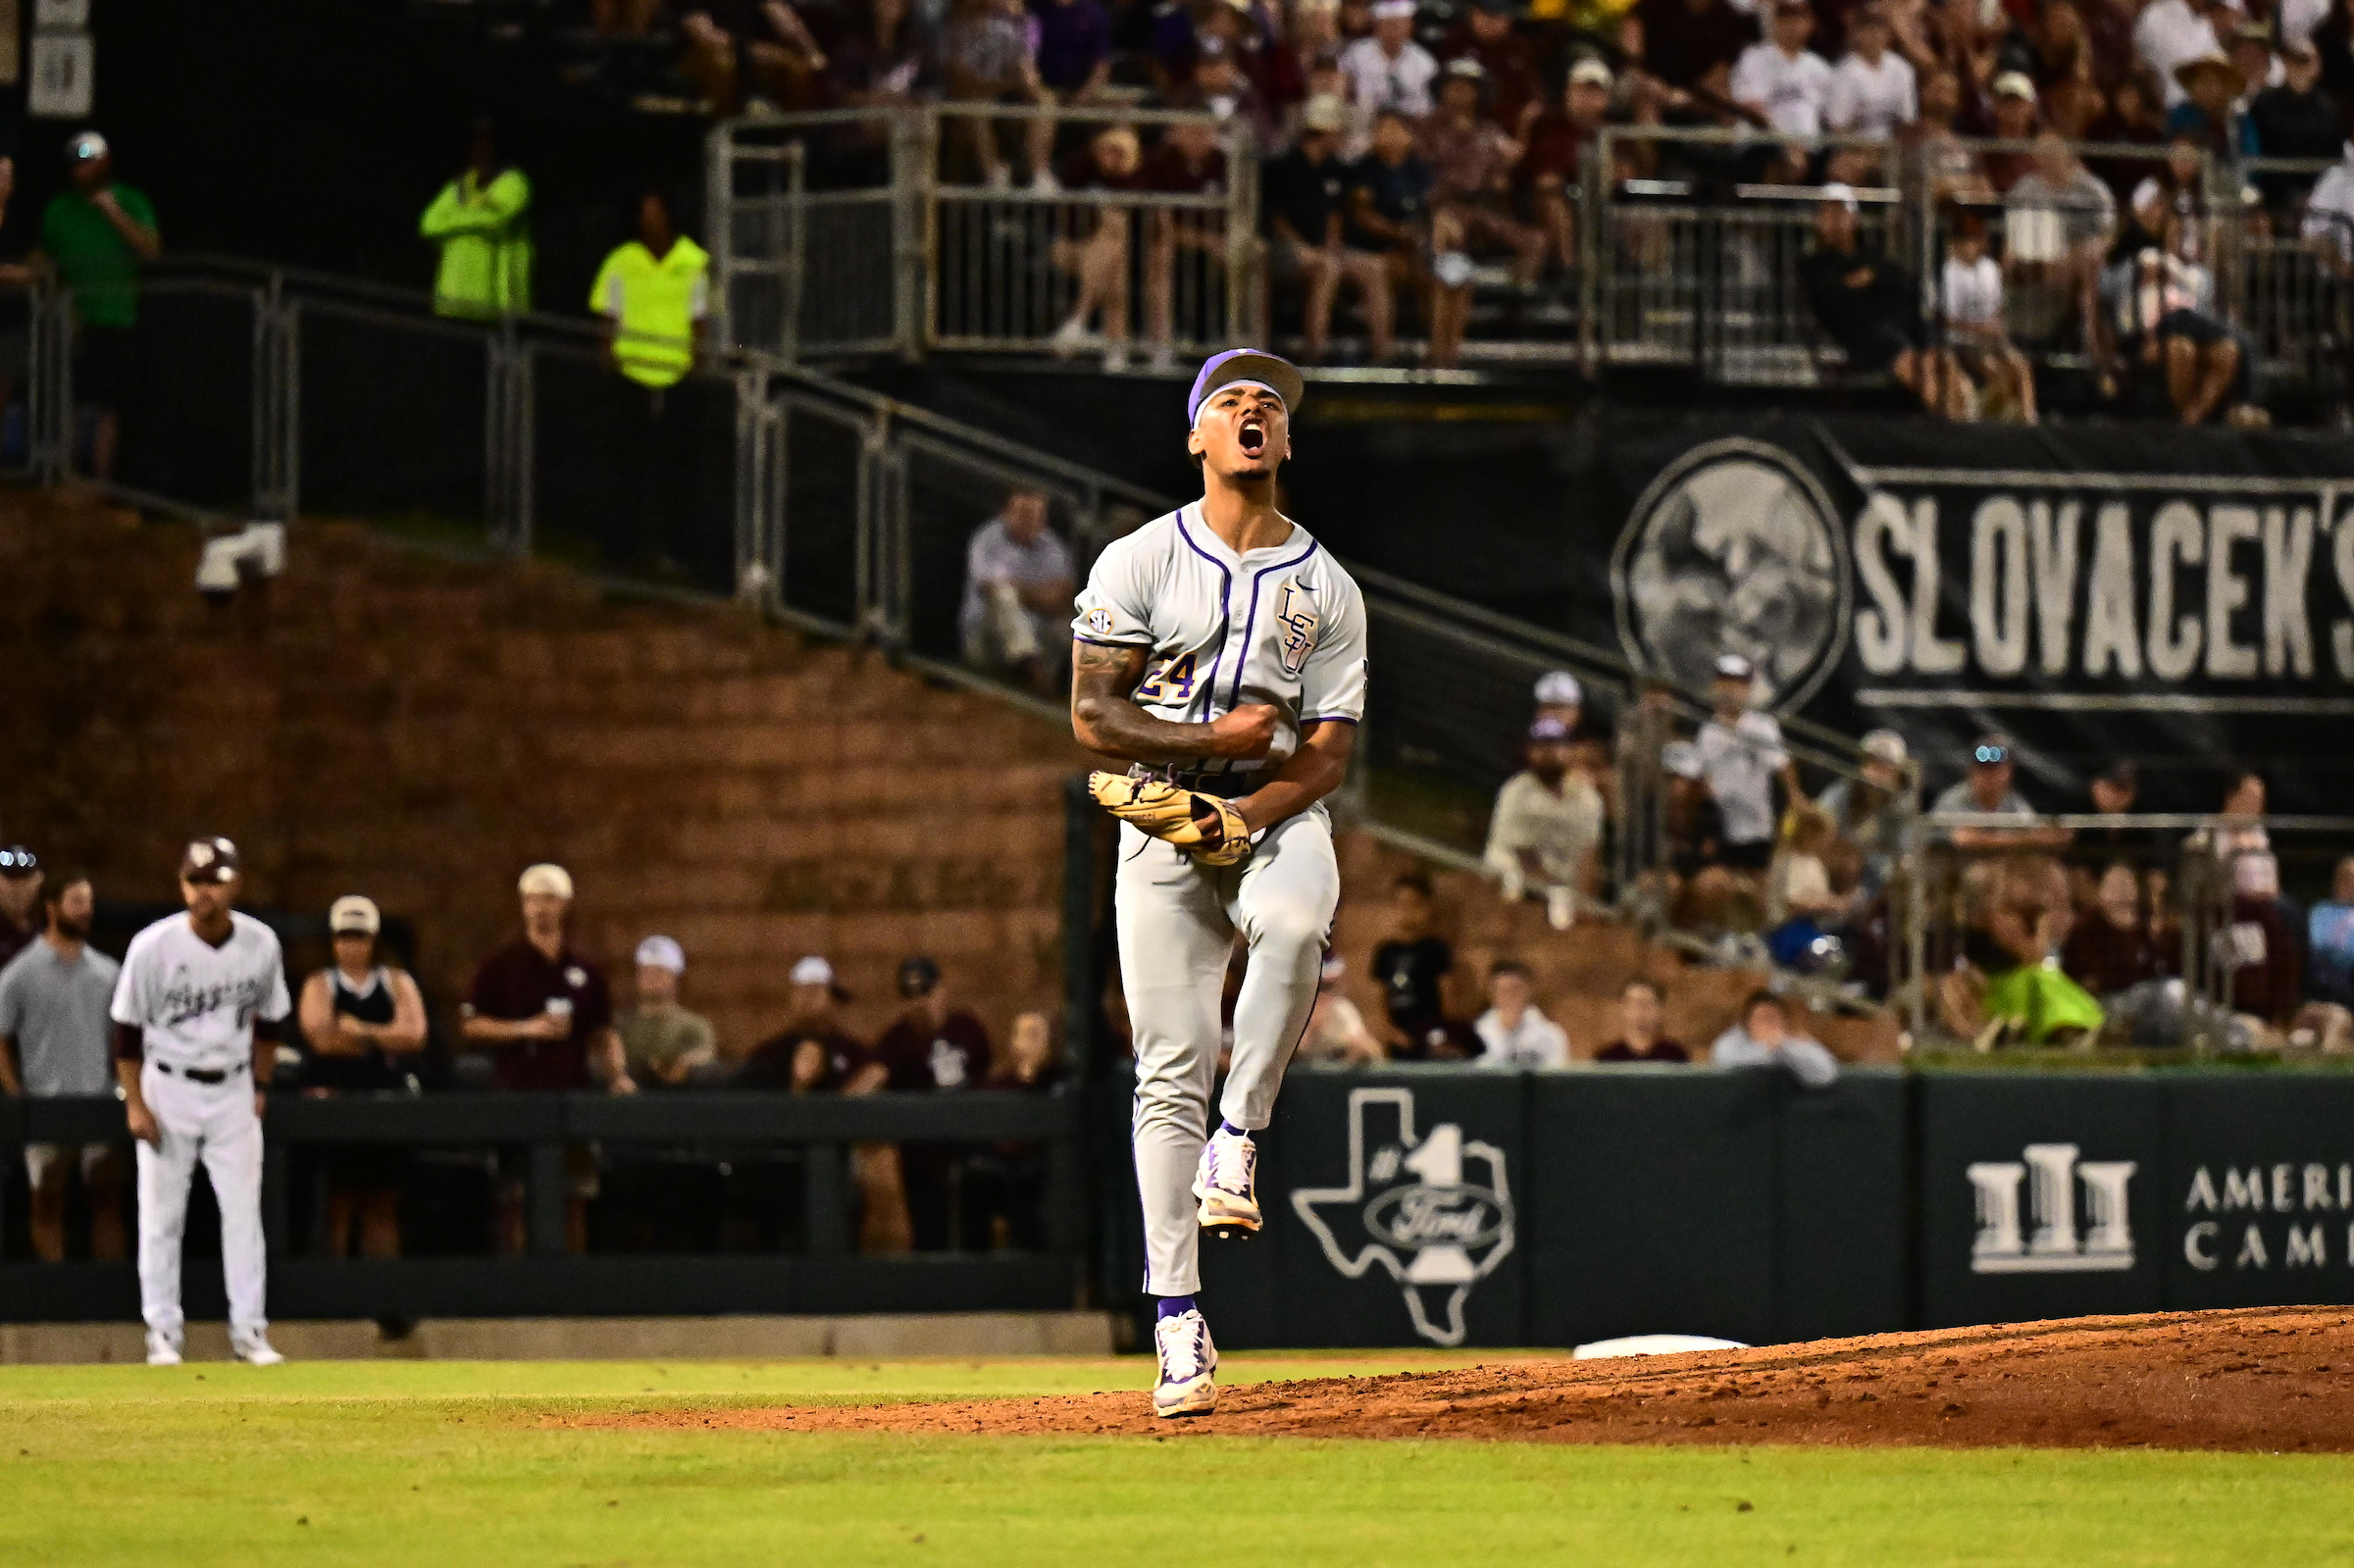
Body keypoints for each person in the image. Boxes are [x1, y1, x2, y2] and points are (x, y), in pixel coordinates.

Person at [1070, 347, 1366, 1418]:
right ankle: (1178, 1322)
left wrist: (1247, 809)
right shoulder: (1139, 560)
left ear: (1285, 443)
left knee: (1293, 931)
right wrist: (1204, 740)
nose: (1254, 411)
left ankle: (1240, 1140)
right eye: (1231, 400)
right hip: (1161, 817)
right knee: (1167, 1068)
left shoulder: (1327, 585)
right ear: (1197, 437)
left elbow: (1328, 752)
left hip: (1273, 807)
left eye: (1270, 405)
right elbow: (1093, 717)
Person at [109, 837, 289, 1367]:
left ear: (235, 883)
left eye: (215, 879)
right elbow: (125, 1031)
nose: (204, 890)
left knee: (242, 1216)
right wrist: (135, 1102)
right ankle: (162, 1332)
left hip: (232, 1086)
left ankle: (250, 1331)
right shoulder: (153, 946)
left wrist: (259, 1085)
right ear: (182, 884)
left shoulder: (261, 943)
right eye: (196, 880)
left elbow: (273, 1021)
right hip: (169, 1086)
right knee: (162, 1217)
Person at [459, 864, 635, 1254]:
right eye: (533, 900)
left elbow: (602, 1032)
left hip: (571, 1093)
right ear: (522, 906)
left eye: (549, 899)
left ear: (565, 905)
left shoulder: (586, 971)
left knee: (575, 1193)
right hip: (516, 1093)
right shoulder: (500, 966)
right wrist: (526, 1029)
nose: (540, 908)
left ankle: (574, 1289)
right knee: (515, 1194)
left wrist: (617, 1075)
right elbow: (472, 1026)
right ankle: (516, 1288)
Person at [0, 872, 127, 1263]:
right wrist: (15, 1092)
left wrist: (124, 1088)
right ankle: (56, 1294)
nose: (86, 910)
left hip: (99, 1102)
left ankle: (107, 1295)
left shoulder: (108, 972)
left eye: (88, 901)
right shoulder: (21, 972)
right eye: (76, 901)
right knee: (47, 1203)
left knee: (107, 1202)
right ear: (52, 907)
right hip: (46, 1106)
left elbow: (123, 1039)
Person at [293, 896, 427, 1259]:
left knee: (383, 1202)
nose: (352, 945)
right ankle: (331, 1294)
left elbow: (414, 1034)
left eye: (360, 937)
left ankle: (383, 1292)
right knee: (338, 1202)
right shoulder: (321, 983)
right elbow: (322, 1037)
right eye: (344, 937)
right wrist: (385, 1037)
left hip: (386, 1107)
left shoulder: (395, 981)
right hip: (336, 1105)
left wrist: (359, 1031)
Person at [37, 133, 161, 484]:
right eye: (77, 162)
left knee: (110, 404)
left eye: (90, 159)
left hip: (117, 318)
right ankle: (69, 479)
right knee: (71, 399)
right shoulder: (59, 208)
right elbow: (44, 258)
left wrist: (112, 210)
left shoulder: (131, 200)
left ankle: (101, 484)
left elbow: (151, 250)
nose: (83, 168)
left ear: (105, 162)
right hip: (72, 321)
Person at [871, 956, 993, 1248]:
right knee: (929, 1239)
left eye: (926, 993)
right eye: (910, 996)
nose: (920, 1003)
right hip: (923, 1163)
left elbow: (989, 1078)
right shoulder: (896, 1041)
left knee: (975, 1237)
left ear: (941, 991)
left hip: (972, 1153)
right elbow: (872, 1076)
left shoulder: (967, 1028)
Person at [1263, 94, 1394, 363]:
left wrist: (1332, 247)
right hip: (1285, 250)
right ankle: (1315, 355)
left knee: (1374, 268)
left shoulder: (1339, 169)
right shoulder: (1280, 168)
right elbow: (1275, 218)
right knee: (1326, 268)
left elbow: (1336, 214)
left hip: (1327, 249)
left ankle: (1383, 357)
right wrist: (1303, 249)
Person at [1802, 185, 1950, 411]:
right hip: (1861, 335)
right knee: (1908, 359)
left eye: (1840, 212)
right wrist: (1866, 279)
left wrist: (1871, 276)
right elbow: (1833, 297)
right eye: (1827, 213)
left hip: (1900, 325)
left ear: (1854, 219)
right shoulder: (1816, 265)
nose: (1833, 220)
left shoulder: (1872, 256)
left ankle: (1962, 421)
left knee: (1939, 353)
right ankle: (1946, 425)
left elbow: (1905, 283)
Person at [1347, 109, 1450, 367]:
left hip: (1414, 251)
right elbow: (1362, 215)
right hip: (1372, 250)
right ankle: (1382, 354)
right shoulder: (1364, 169)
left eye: (1398, 130)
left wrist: (1427, 236)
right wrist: (1398, 232)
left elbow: (1431, 210)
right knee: (1378, 271)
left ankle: (1441, 359)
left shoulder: (1419, 171)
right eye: (1384, 129)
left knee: (1448, 277)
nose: (1392, 136)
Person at [1484, 715, 1606, 928]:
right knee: (1516, 888)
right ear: (1529, 752)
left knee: (1566, 916)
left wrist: (1584, 902)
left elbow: (1589, 855)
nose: (1548, 753)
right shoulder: (1516, 791)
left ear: (1569, 751)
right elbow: (1525, 856)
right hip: (1513, 874)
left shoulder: (1589, 800)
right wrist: (1551, 892)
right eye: (1541, 747)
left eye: (1555, 746)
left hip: (1561, 886)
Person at [1688, 653, 1797, 876]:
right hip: (1721, 827)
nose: (1730, 689)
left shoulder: (1762, 726)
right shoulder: (1707, 732)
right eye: (1725, 681)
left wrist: (1795, 797)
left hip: (1757, 827)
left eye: (1737, 683)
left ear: (1747, 689)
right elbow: (1699, 774)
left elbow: (1782, 765)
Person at [959, 487, 1077, 692]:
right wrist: (1039, 594)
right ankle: (1034, 670)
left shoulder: (1052, 545)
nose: (1030, 520)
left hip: (1042, 639)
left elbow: (1063, 595)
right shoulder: (987, 538)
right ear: (1005, 512)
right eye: (1023, 513)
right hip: (988, 639)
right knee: (1005, 598)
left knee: (1078, 620)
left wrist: (1022, 592)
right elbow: (991, 589)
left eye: (1037, 515)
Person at [419, 119, 533, 321]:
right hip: (452, 302)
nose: (481, 150)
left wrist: (453, 218)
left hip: (496, 307)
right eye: (477, 143)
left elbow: (494, 220)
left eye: (487, 144)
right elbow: (428, 224)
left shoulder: (515, 183)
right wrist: (476, 214)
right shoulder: (460, 185)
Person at [1518, 59, 1615, 280]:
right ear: (1567, 92)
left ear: (1606, 99)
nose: (1587, 100)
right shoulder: (1546, 123)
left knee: (1645, 216)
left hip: (1600, 202)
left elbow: (1625, 172)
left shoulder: (1613, 134)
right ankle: (1571, 274)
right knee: (1553, 199)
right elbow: (1539, 172)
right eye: (1581, 91)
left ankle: (1646, 279)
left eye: (1595, 93)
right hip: (1547, 200)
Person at [1942, 210, 2039, 422]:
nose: (1972, 245)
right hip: (1960, 343)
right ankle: (1986, 421)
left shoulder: (1990, 269)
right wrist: (1980, 329)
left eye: (1976, 239)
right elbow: (1946, 319)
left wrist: (1995, 328)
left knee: (2021, 367)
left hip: (1990, 341)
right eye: (1966, 239)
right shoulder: (1949, 272)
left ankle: (2030, 424)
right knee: (1993, 371)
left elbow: (1997, 310)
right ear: (1956, 243)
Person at [1369, 871, 1466, 1057]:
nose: (1408, 912)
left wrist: (1443, 1034)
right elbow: (1380, 999)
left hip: (1432, 1039)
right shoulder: (1385, 952)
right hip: (1398, 1039)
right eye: (1401, 905)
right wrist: (1390, 1033)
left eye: (1414, 904)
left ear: (1426, 907)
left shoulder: (1436, 949)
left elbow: (1448, 997)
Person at [678, 0, 831, 117]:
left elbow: (787, 26)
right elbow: (704, 36)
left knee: (799, 68)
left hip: (755, 53)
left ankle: (792, 135)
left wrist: (811, 51)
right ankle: (728, 131)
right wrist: (752, 50)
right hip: (701, 55)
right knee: (722, 65)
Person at [614, 935, 719, 1087]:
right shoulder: (619, 1025)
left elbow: (704, 1056)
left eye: (659, 972)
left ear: (675, 978)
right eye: (645, 971)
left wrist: (681, 1066)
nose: (651, 978)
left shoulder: (694, 1026)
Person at [1731, 0, 1836, 137]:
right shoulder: (1754, 58)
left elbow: (1833, 115)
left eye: (1798, 19)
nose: (1792, 26)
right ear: (1775, 23)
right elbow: (1750, 107)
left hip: (1810, 148)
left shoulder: (1818, 66)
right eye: (1785, 19)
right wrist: (1786, 145)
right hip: (1764, 143)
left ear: (1810, 24)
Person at [1338, 0, 1440, 133]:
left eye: (1399, 25)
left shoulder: (1424, 62)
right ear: (1376, 27)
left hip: (1410, 126)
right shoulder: (1356, 54)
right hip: (1365, 124)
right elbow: (1342, 89)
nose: (1393, 31)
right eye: (1387, 25)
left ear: (1410, 27)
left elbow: (1427, 106)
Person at [1710, 988, 1840, 1087]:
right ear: (1747, 1021)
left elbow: (1826, 1074)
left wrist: (1783, 1048)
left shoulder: (1790, 1042)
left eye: (1772, 1017)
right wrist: (1764, 1049)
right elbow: (1723, 1061)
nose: (1767, 1023)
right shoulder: (1733, 1041)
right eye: (1761, 1017)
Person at [1827, 6, 1919, 140]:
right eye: (1868, 28)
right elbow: (1838, 126)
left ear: (1889, 33)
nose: (1875, 34)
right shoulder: (1845, 71)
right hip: (1857, 146)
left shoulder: (1901, 68)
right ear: (1856, 33)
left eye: (1880, 28)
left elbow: (1908, 119)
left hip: (1893, 149)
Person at [1471, 959, 1570, 1068]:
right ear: (1491, 993)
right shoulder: (1477, 1034)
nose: (1508, 996)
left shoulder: (1551, 1036)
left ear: (1528, 990)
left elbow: (1556, 1078)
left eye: (1515, 989)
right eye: (1501, 990)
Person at [1294, 954, 1384, 1065]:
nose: (1323, 996)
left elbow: (1368, 1049)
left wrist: (1353, 1050)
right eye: (1319, 987)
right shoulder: (1294, 1011)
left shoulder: (1340, 1009)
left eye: (1328, 987)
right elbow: (1292, 1054)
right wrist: (1313, 1027)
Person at [1595, 977, 1690, 1062]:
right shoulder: (1607, 1059)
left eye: (1647, 1004)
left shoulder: (1675, 1057)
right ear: (1623, 1008)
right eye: (1634, 1003)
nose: (1640, 1011)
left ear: (1660, 1009)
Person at [2306, 856, 2354, 1009]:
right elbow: (2316, 944)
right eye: (2345, 879)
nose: (2350, 885)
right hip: (2327, 975)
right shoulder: (2321, 910)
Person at [0, 844, 40, 969]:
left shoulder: (50, 933)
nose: (17, 887)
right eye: (10, 878)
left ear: (38, 881)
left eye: (24, 877)